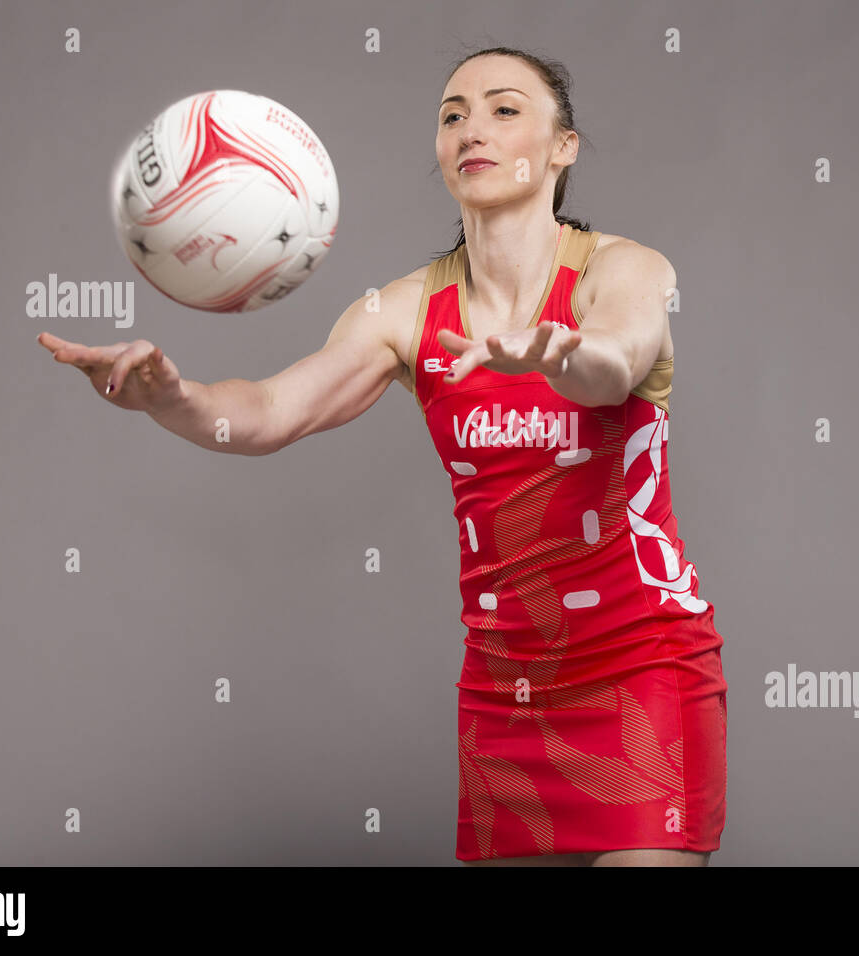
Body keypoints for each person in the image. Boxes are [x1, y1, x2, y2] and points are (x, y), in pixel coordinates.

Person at [37, 46, 727, 867]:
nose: (473, 127)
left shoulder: (620, 269)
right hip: (503, 688)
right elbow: (268, 411)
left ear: (562, 147)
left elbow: (615, 363)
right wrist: (167, 398)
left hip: (642, 660)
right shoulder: (404, 311)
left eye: (505, 109)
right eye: (452, 114)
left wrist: (556, 355)